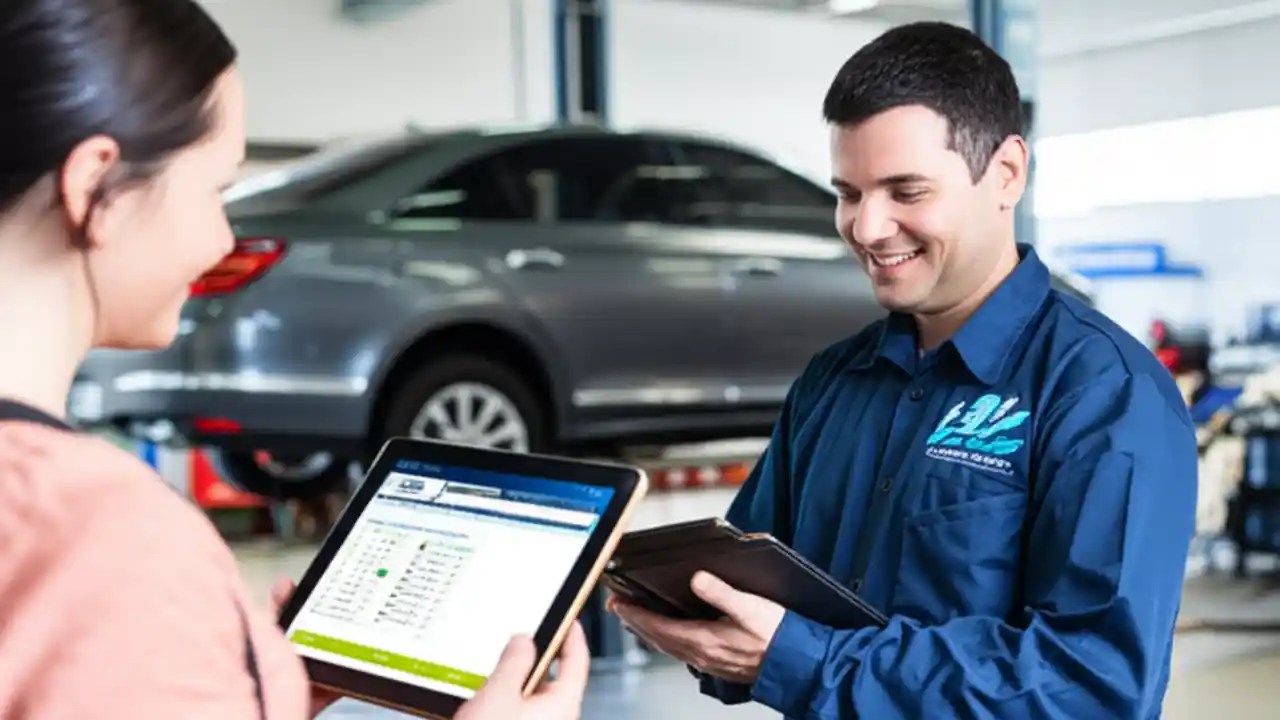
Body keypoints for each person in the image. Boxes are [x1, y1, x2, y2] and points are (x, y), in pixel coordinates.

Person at [0, 1, 589, 718]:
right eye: (218, 190)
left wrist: (240, 686)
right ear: (96, 186)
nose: (223, 241)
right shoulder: (104, 536)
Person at [610, 21, 1198, 720]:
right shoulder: (833, 382)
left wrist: (799, 660)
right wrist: (692, 616)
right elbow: (756, 596)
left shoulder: (1105, 395)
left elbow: (1093, 687)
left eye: (906, 191)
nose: (865, 227)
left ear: (1006, 173)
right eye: (849, 193)